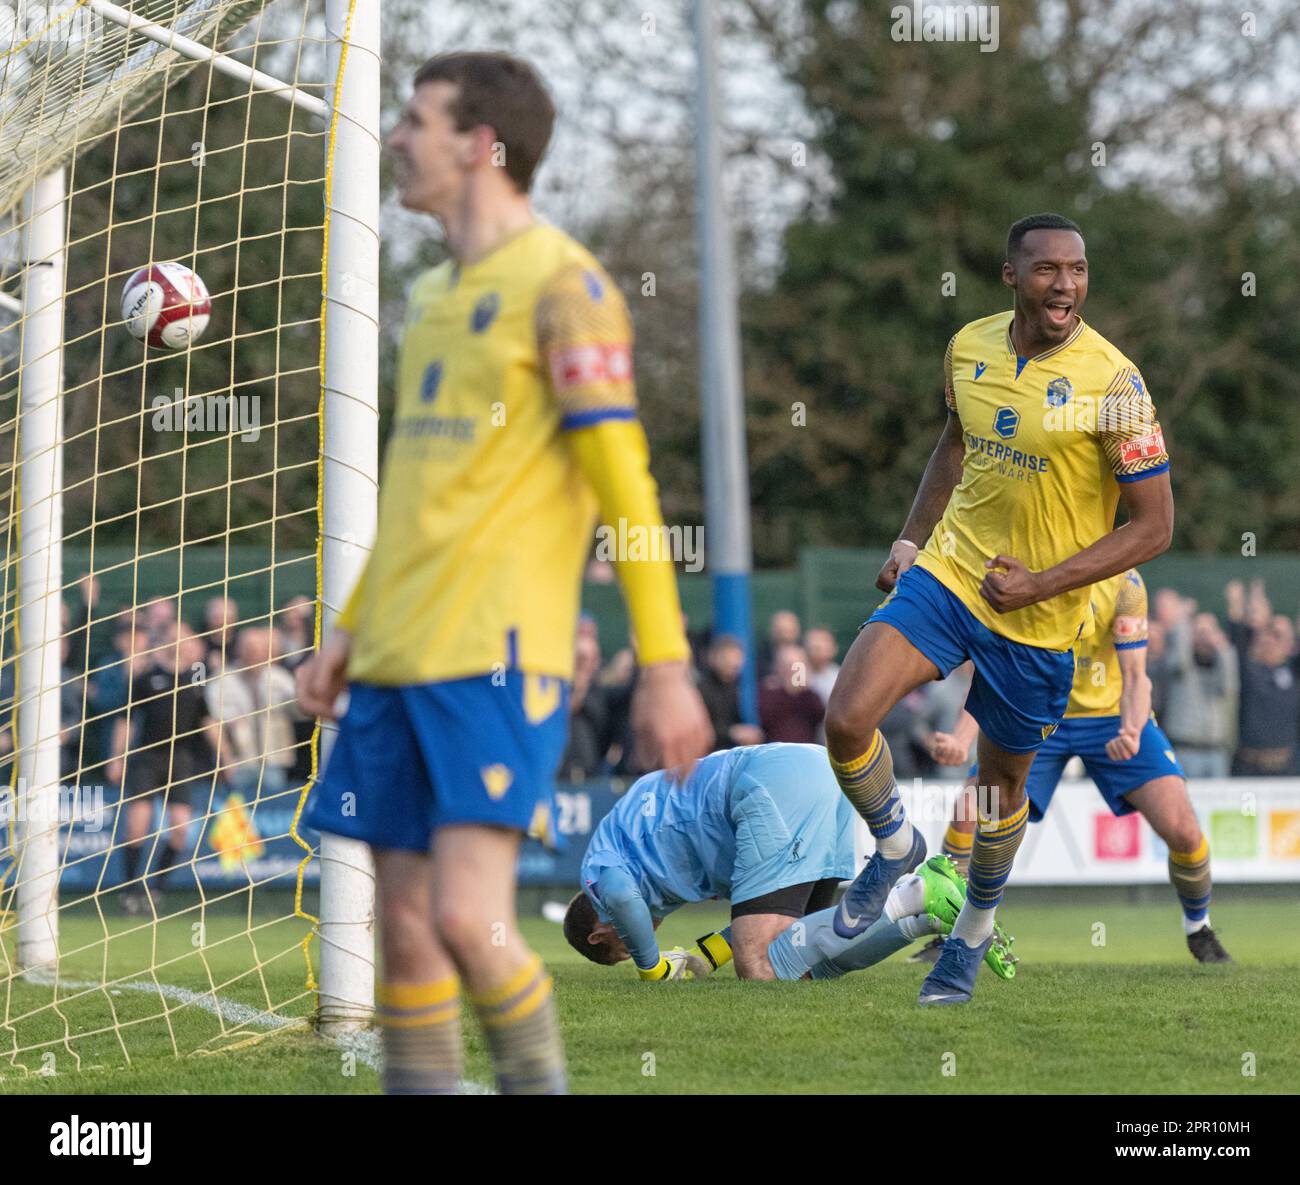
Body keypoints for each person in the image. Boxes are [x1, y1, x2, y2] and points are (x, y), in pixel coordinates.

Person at [295, 51, 711, 1097]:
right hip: (393, 655)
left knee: (461, 919)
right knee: (401, 928)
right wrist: (347, 628)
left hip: (496, 655)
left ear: (483, 145)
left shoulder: (564, 288)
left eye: (417, 120)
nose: (396, 136)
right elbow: (412, 497)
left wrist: (663, 668)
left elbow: (626, 485)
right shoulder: (433, 294)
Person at [823, 212, 1174, 1006]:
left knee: (996, 795)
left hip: (1042, 620)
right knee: (847, 717)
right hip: (951, 574)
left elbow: (1155, 527)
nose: (1067, 285)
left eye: (1079, 270)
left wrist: (1041, 584)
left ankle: (972, 932)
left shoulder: (1116, 385)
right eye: (1049, 269)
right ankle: (893, 847)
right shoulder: (967, 346)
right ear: (1012, 275)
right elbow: (954, 441)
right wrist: (912, 540)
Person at [926, 569, 1231, 965]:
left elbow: (1137, 676)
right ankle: (948, 931)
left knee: (1184, 830)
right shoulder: (1027, 571)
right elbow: (999, 671)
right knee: (972, 809)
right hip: (1037, 713)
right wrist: (961, 738)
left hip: (1111, 717)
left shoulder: (1125, 583)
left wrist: (1133, 730)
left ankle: (1198, 928)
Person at [564, 743, 1014, 981]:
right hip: (815, 773)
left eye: (624, 947)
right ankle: (922, 914)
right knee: (803, 958)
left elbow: (622, 899)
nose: (647, 938)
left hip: (772, 791)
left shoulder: (601, 870)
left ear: (600, 931)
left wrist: (651, 968)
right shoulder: (643, 856)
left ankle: (915, 893)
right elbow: (757, 910)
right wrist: (706, 955)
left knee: (758, 965)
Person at [107, 623, 217, 913]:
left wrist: (226, 755)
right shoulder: (146, 676)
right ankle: (130, 891)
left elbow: (208, 720)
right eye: (172, 638)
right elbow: (126, 719)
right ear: (163, 642)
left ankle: (157, 889)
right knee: (137, 829)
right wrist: (117, 757)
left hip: (179, 758)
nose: (178, 644)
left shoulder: (196, 676)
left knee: (180, 829)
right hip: (146, 757)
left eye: (183, 639)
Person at [206, 626, 299, 797]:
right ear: (239, 649)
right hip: (239, 762)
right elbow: (213, 722)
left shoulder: (279, 677)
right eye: (249, 647)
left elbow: (300, 711)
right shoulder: (222, 679)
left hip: (273, 760)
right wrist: (225, 759)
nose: (254, 653)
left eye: (258, 648)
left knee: (274, 809)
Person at [1160, 597, 1238, 779]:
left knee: (1218, 804)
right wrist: (1184, 620)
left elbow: (1228, 685)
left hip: (1216, 751)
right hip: (1186, 749)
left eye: (1209, 632)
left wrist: (1221, 646)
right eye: (1200, 632)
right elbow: (1179, 657)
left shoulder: (1220, 663)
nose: (1204, 637)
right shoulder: (1181, 669)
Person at [697, 634, 762, 750]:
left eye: (738, 658)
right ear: (714, 657)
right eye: (727, 658)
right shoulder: (701, 688)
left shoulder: (735, 686)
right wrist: (732, 733)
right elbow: (702, 729)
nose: (733, 663)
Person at [758, 642, 825, 743]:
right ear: (778, 667)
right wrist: (787, 689)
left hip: (806, 748)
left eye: (797, 666)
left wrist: (804, 688)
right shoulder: (769, 691)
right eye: (788, 666)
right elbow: (765, 719)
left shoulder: (809, 695)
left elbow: (820, 714)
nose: (792, 671)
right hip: (775, 748)